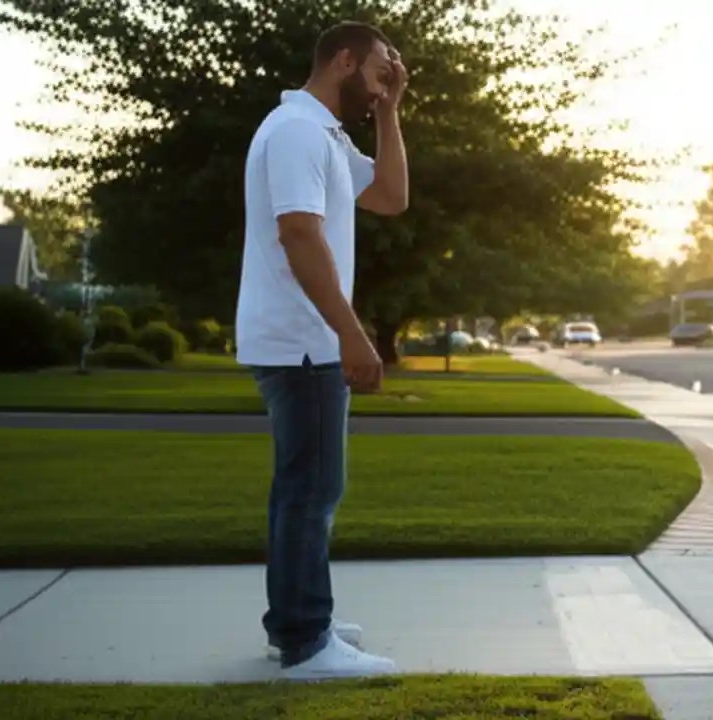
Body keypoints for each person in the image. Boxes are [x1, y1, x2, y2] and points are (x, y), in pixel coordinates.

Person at [234, 20, 408, 680]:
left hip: (306, 341)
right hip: (301, 343)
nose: (385, 83)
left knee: (302, 492)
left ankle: (299, 625)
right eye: (381, 72)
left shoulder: (325, 135)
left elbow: (391, 197)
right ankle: (308, 642)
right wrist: (351, 332)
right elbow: (300, 235)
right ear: (343, 60)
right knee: (310, 493)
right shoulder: (298, 132)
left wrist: (391, 112)